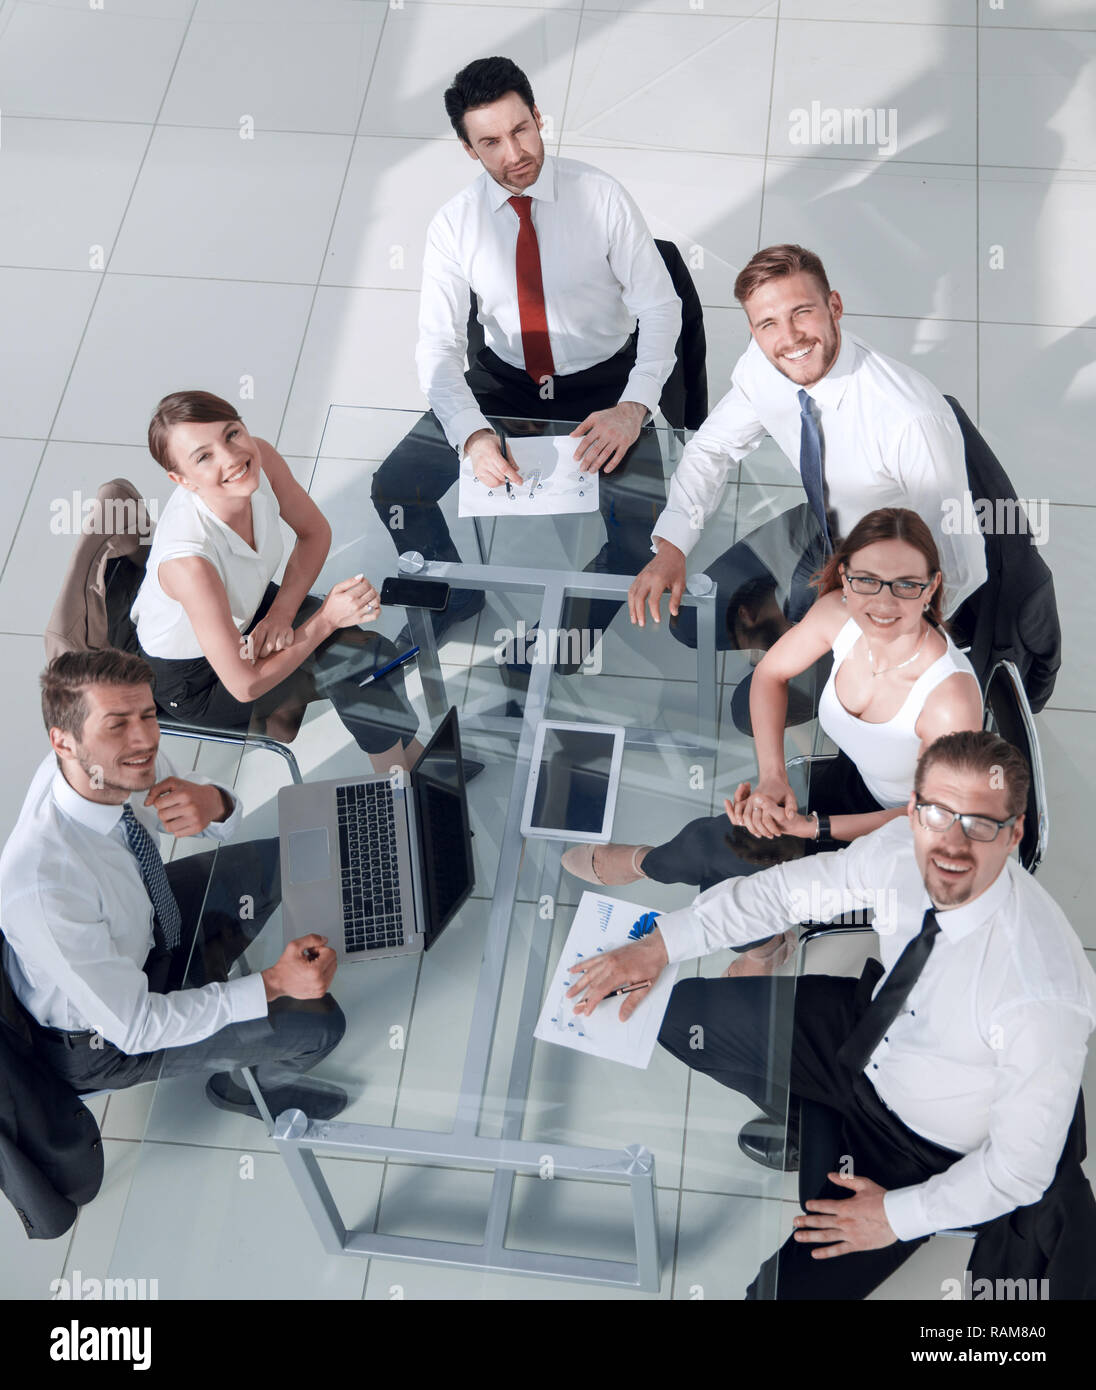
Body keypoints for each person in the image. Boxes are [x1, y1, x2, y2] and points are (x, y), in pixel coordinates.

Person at [566, 731, 1096, 1300]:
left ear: (1014, 833)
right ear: (912, 808)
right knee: (676, 1016)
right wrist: (660, 944)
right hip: (864, 1037)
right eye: (936, 813)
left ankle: (823, 1134)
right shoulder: (900, 846)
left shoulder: (1042, 992)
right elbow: (783, 896)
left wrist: (894, 1216)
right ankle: (804, 1122)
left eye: (980, 824)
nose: (951, 844)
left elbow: (1019, 1170)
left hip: (924, 1144)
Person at [564, 508, 983, 972]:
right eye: (867, 580)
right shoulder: (837, 614)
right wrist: (772, 777)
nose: (883, 603)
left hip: (897, 831)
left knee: (720, 850)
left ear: (931, 587)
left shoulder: (948, 700)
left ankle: (670, 878)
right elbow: (770, 675)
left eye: (906, 584)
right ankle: (744, 930)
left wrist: (816, 828)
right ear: (844, 578)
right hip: (850, 780)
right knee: (736, 839)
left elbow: (926, 822)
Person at [370, 55, 681, 660]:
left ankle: (559, 644)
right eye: (491, 141)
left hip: (604, 383)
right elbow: (437, 347)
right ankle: (452, 597)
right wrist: (471, 436)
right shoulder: (453, 225)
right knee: (395, 488)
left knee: (644, 537)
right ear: (468, 149)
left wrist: (634, 407)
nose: (514, 153)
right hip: (506, 382)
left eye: (522, 130)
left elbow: (661, 308)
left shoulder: (602, 198)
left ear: (539, 117)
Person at [0, 651, 347, 1121]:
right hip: (105, 1037)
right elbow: (137, 1026)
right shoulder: (43, 886)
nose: (144, 740)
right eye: (117, 724)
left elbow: (201, 804)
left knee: (296, 858)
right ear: (63, 742)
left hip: (148, 926)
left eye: (147, 714)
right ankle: (246, 1089)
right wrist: (271, 984)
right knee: (320, 1026)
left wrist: (215, 802)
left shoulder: (110, 762)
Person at [628, 243, 987, 661]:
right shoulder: (766, 365)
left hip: (883, 574)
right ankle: (793, 639)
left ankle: (806, 651)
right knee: (692, 621)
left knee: (754, 709)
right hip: (820, 527)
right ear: (753, 331)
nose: (790, 338)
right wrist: (672, 543)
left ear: (834, 305)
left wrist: (892, 641)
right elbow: (712, 447)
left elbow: (960, 569)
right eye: (768, 323)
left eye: (802, 312)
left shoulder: (908, 418)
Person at [132, 390, 422, 773]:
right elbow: (244, 686)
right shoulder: (189, 563)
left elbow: (315, 532)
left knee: (369, 657)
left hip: (250, 613)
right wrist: (325, 621)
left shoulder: (261, 457)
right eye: (204, 456)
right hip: (201, 681)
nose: (232, 457)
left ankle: (404, 761)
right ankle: (399, 776)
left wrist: (283, 614)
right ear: (180, 479)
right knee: (359, 662)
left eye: (232, 433)